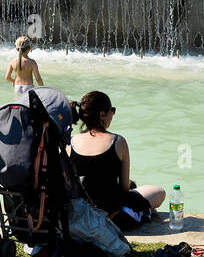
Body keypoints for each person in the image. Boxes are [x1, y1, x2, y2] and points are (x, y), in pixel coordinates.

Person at [68, 91, 165, 230]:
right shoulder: (118, 142)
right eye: (112, 110)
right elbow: (125, 188)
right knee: (159, 192)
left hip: (81, 215)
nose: (112, 115)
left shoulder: (70, 143)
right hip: (113, 217)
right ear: (102, 114)